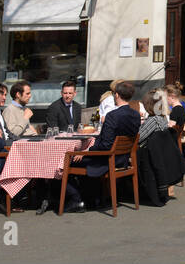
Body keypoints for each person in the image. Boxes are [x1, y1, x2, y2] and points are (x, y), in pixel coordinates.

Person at [60, 81, 140, 212]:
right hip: (123, 158)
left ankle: (76, 200)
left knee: (66, 162)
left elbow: (105, 145)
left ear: (117, 95)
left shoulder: (112, 116)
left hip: (108, 159)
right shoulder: (135, 115)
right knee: (80, 160)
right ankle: (93, 199)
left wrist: (86, 151)